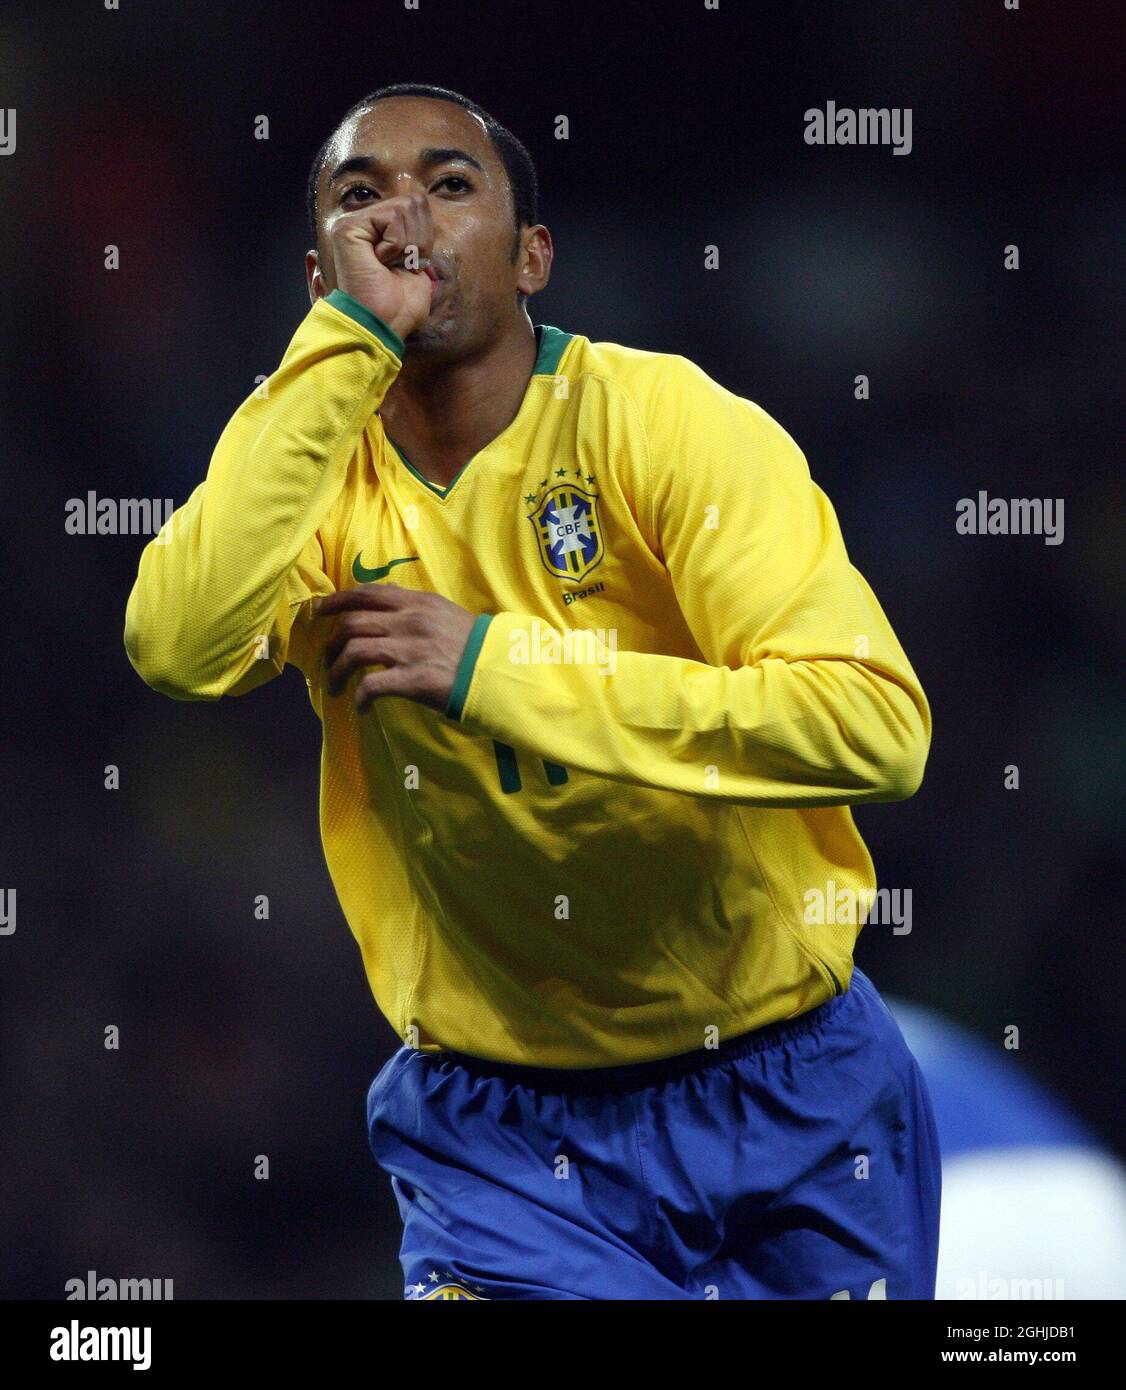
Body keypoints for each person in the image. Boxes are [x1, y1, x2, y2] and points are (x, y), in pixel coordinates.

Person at [125, 83, 938, 1300]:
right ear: (321, 274)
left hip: (788, 1092)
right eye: (362, 196)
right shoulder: (305, 468)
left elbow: (876, 730)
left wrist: (490, 666)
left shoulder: (670, 426)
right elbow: (177, 646)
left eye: (450, 185)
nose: (404, 216)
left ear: (534, 254)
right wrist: (347, 345)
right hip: (498, 1136)